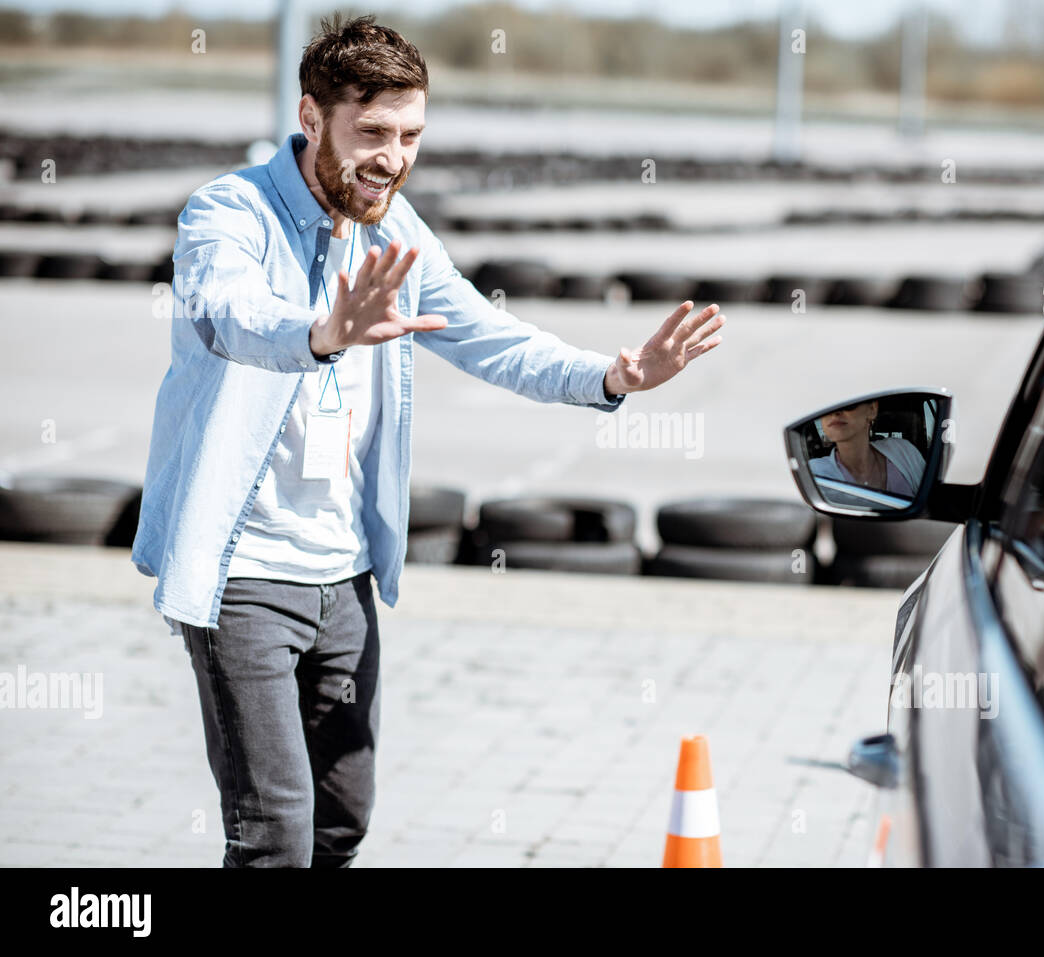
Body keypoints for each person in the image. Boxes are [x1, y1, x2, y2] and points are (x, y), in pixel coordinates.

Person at [128, 15, 724, 867]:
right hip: (244, 573)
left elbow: (490, 335)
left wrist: (613, 376)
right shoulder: (230, 211)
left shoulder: (396, 228)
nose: (393, 156)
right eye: (371, 132)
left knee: (342, 820)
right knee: (275, 837)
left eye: (410, 135)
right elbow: (231, 314)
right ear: (311, 117)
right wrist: (323, 330)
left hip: (345, 575)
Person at [809, 399, 926, 497]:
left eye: (848, 403)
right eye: (825, 405)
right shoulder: (812, 472)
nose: (834, 412)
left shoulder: (904, 451)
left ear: (872, 409)